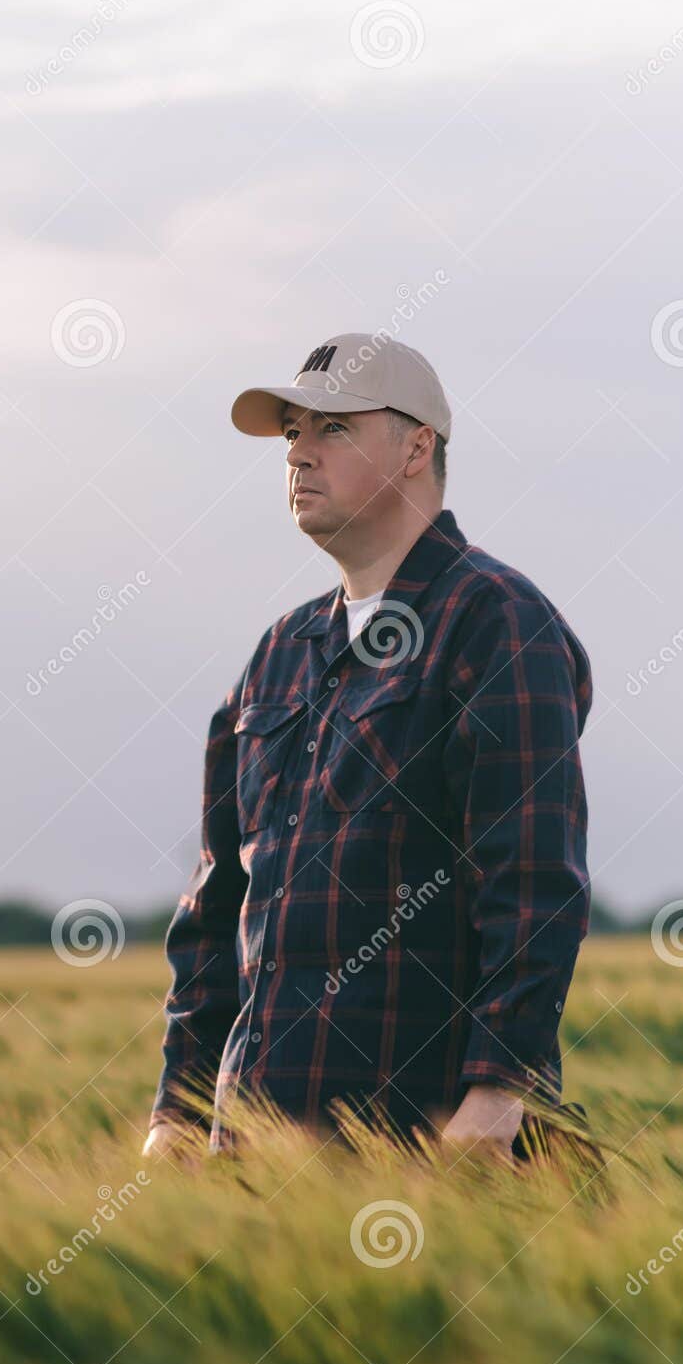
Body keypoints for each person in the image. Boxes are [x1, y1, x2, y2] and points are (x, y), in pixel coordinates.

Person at [143, 332, 592, 1168]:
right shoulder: (278, 652)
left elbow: (531, 880)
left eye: (334, 429)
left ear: (417, 446)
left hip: (424, 1149)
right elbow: (213, 908)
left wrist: (499, 1094)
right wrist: (180, 1104)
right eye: (290, 435)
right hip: (251, 1150)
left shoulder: (494, 621)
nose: (299, 456)